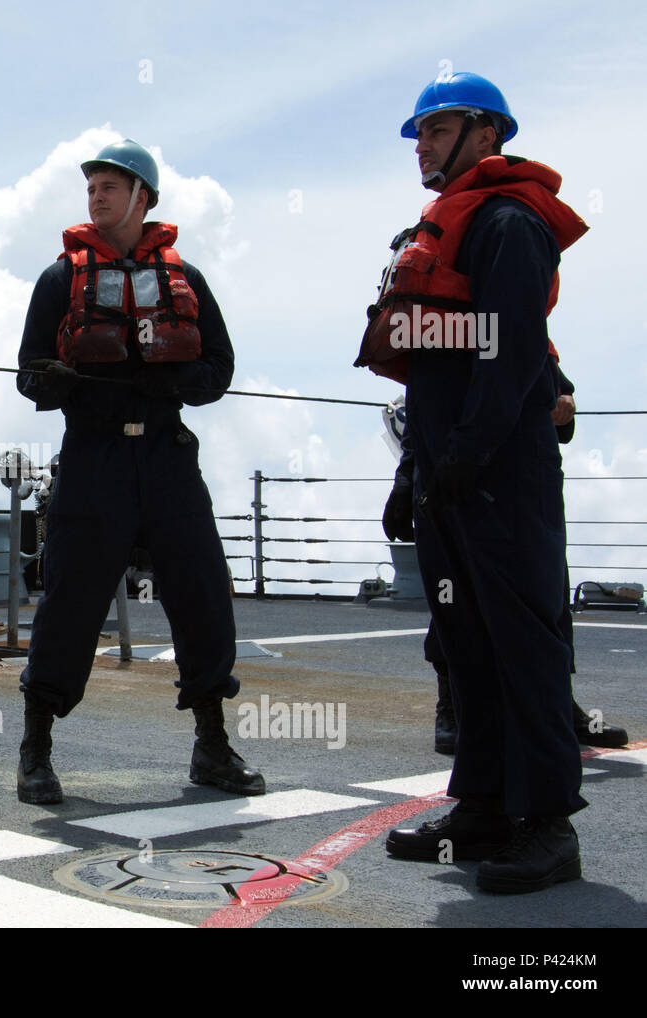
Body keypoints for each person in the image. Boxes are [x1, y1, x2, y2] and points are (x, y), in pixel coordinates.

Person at [356, 73, 590, 893]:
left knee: (524, 644)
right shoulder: (442, 228)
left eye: (436, 127)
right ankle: (486, 807)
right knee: (469, 648)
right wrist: (418, 468)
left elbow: (513, 353)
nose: (420, 143)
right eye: (419, 131)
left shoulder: (508, 225)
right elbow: (432, 371)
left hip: (501, 474)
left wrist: (467, 455)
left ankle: (548, 826)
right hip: (448, 471)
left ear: (486, 132)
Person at [14, 139, 263, 804]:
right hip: (93, 459)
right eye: (91, 186)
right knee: (68, 602)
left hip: (166, 455)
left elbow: (219, 366)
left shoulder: (189, 281)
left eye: (110, 186)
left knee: (204, 595)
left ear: (143, 197)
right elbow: (29, 375)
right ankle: (35, 751)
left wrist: (168, 384)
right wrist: (70, 386)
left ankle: (212, 746)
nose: (96, 195)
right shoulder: (60, 280)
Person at [383, 362, 631, 754]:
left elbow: (560, 399)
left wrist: (564, 403)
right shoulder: (445, 333)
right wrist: (405, 483)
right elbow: (423, 414)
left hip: (522, 483)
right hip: (458, 483)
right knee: (453, 598)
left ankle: (557, 703)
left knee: (548, 601)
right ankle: (451, 706)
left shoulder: (526, 333)